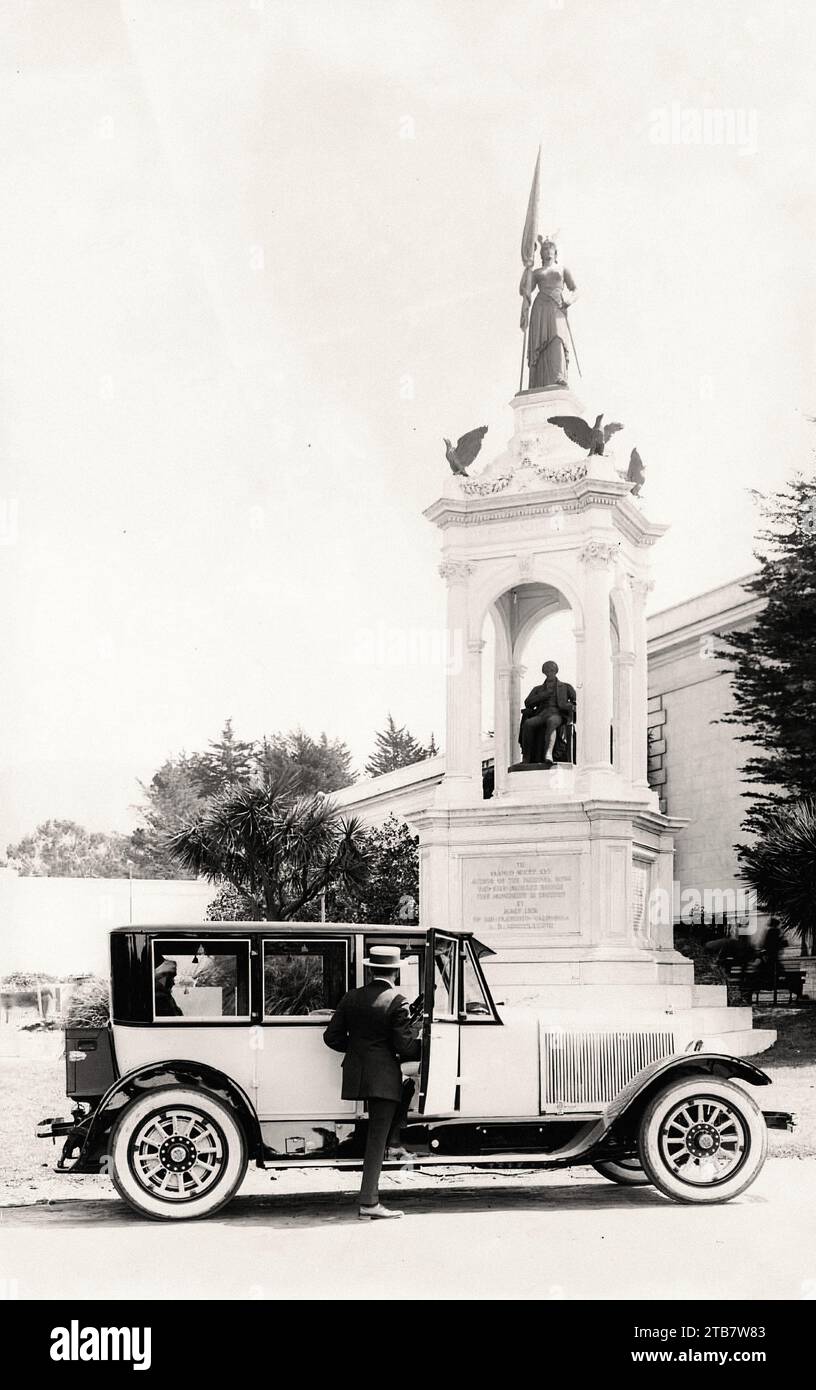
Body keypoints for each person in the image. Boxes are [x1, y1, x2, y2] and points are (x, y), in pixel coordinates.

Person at [323, 944, 421, 1220]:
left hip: (357, 1074)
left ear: (371, 971)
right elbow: (405, 1046)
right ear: (395, 971)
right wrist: (419, 1035)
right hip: (384, 1078)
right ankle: (369, 1203)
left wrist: (357, 1051)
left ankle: (393, 1140)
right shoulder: (398, 1001)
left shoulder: (351, 997)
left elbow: (331, 1037)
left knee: (378, 1135)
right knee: (376, 1141)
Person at [527, 237, 577, 389]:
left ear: (555, 252)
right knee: (539, 342)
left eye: (550, 248)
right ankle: (537, 381)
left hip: (557, 306)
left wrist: (569, 300)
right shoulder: (537, 272)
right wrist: (527, 270)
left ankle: (558, 376)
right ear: (541, 253)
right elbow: (525, 291)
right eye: (544, 248)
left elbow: (575, 289)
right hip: (541, 307)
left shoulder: (562, 269)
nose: (547, 250)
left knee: (558, 338)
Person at [519, 660, 577, 766]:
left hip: (557, 714)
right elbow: (528, 702)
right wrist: (543, 695)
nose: (550, 672)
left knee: (552, 721)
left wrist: (567, 706)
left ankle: (548, 753)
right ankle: (526, 757)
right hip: (542, 713)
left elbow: (577, 702)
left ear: (556, 671)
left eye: (552, 670)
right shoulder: (538, 689)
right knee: (528, 724)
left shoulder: (565, 687)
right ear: (544, 672)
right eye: (547, 670)